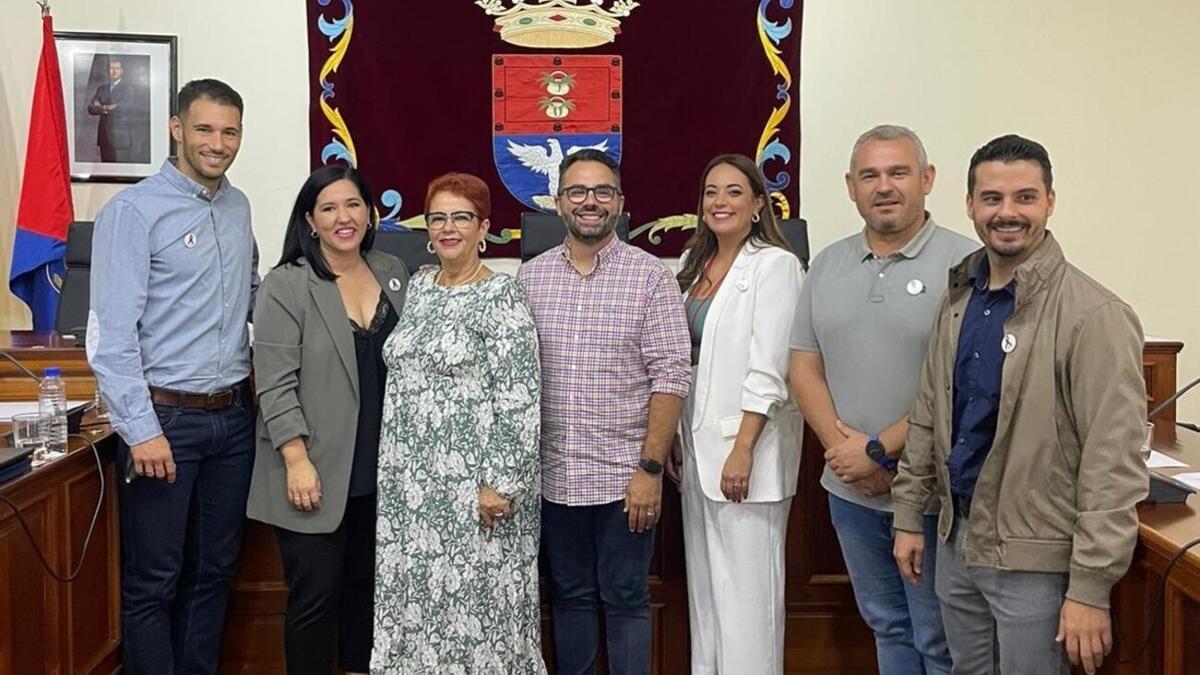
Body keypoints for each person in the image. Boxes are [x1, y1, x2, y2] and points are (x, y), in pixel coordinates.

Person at [892, 134, 1148, 675]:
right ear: (969, 205)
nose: (1007, 212)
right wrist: (910, 515)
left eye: (1024, 197)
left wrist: (1091, 587)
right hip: (957, 544)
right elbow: (930, 411)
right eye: (992, 198)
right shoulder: (959, 297)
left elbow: (1113, 463)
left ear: (1050, 202)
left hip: (1036, 562)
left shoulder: (1095, 315)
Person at [88, 78, 257, 675]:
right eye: (205, 129)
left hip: (233, 421)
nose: (218, 143)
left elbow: (248, 297)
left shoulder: (238, 207)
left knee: (214, 574)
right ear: (177, 128)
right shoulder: (133, 212)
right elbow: (110, 338)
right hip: (166, 422)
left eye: (230, 131)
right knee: (154, 580)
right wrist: (142, 430)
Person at [790, 125, 972, 674]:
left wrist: (880, 449)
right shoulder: (826, 263)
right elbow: (804, 367)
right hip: (850, 493)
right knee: (887, 625)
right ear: (850, 186)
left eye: (898, 172)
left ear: (927, 179)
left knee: (938, 636)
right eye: (870, 175)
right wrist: (846, 452)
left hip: (933, 493)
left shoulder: (967, 265)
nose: (884, 186)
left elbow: (963, 382)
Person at [518, 149, 691, 675]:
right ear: (557, 203)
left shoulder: (651, 278)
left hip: (625, 478)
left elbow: (671, 376)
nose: (589, 202)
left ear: (620, 203)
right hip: (553, 477)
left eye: (601, 192)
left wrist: (650, 470)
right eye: (577, 191)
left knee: (625, 598)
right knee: (568, 597)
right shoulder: (528, 280)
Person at [371, 172, 544, 673]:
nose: (448, 228)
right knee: (417, 611)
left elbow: (520, 396)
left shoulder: (502, 297)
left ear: (484, 228)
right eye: (438, 217)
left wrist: (501, 483)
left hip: (477, 492)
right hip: (412, 489)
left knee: (478, 612)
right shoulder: (420, 286)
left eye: (461, 218)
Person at [246, 165, 407, 675]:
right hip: (313, 470)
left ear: (369, 211)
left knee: (368, 594)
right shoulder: (286, 285)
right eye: (330, 208)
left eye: (353, 204)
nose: (344, 217)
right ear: (310, 220)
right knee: (315, 600)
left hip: (383, 470)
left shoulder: (393, 271)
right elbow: (272, 381)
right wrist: (295, 458)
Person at [672, 153, 804, 674]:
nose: (719, 202)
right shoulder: (695, 267)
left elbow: (769, 369)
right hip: (698, 453)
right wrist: (677, 437)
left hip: (745, 454)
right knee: (707, 599)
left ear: (756, 205)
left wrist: (742, 449)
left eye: (732, 191)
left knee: (748, 603)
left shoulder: (775, 265)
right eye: (710, 192)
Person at [86, 58, 134, 162]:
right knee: (106, 168)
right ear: (108, 70)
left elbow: (124, 108)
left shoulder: (128, 89)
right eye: (111, 68)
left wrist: (101, 107)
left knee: (121, 173)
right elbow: (91, 108)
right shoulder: (102, 89)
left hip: (120, 138)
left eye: (117, 68)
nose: (114, 71)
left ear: (122, 71)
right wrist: (107, 108)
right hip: (104, 137)